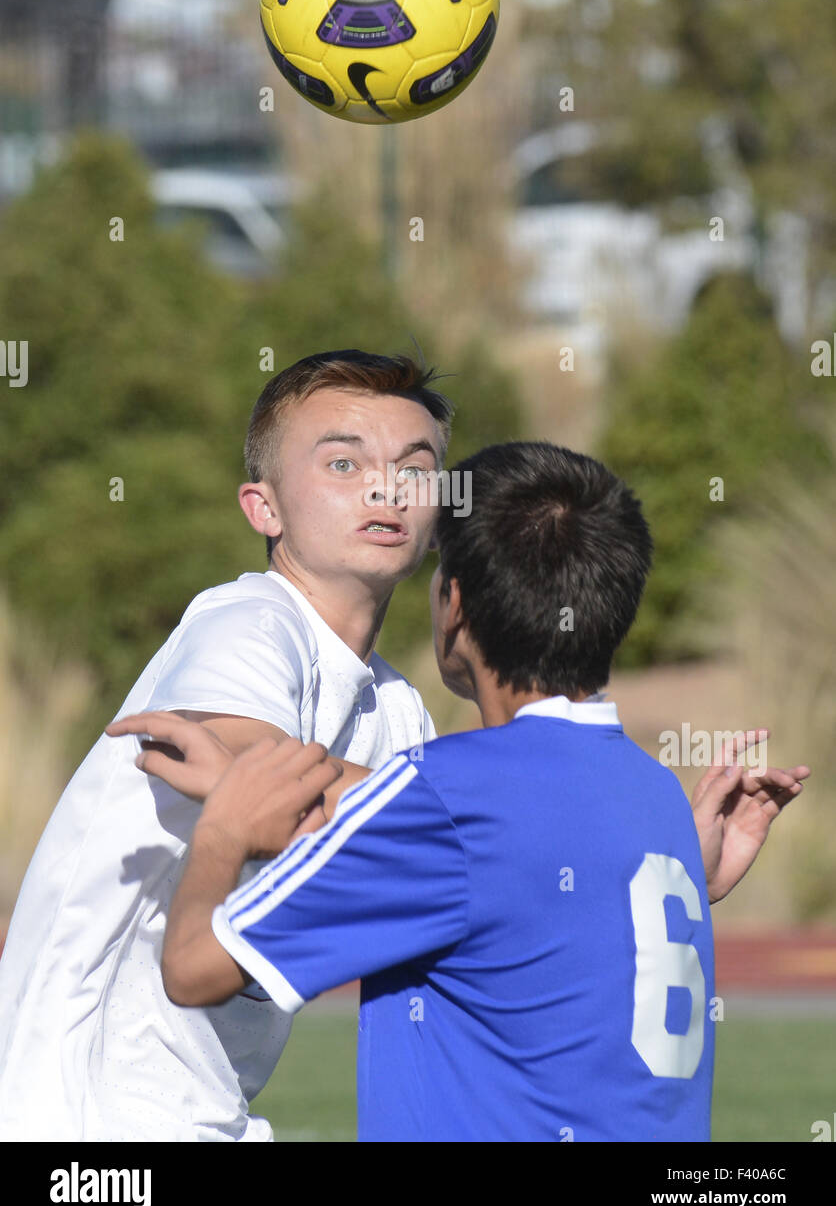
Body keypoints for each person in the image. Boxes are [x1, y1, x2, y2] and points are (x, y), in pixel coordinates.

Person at [115, 443, 809, 1142]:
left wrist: (224, 829)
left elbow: (194, 968)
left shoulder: (444, 793)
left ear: (454, 605)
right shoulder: (656, 796)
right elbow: (523, 873)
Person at [0, 350, 453, 1142]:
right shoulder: (250, 622)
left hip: (205, 1116)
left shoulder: (399, 711)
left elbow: (448, 864)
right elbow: (269, 770)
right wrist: (492, 820)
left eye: (412, 469)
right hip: (74, 1113)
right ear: (263, 508)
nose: (385, 488)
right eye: (344, 462)